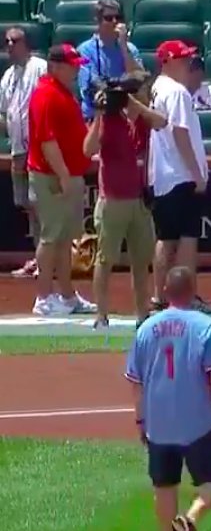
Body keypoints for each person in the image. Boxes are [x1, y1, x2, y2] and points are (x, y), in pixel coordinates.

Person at [124, 266, 211, 531]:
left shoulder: (146, 328)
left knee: (164, 484)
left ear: (166, 292)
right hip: (197, 421)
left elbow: (135, 381)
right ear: (191, 290)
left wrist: (140, 419)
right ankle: (191, 518)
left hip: (158, 422)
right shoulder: (205, 326)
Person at [83, 71, 167, 330]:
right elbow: (88, 149)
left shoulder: (138, 119)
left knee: (141, 260)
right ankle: (101, 314)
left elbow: (162, 122)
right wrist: (100, 111)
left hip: (138, 199)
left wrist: (134, 104)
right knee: (106, 260)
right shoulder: (108, 120)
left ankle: (142, 314)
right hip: (113, 200)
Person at [27, 44, 97, 317]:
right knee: (51, 237)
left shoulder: (63, 92)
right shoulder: (45, 94)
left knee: (65, 239)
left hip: (65, 175)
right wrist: (64, 176)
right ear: (55, 66)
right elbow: (47, 141)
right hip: (52, 177)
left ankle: (67, 296)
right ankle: (44, 297)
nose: (77, 69)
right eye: (71, 64)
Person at [148, 40, 211, 314]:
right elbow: (180, 132)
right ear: (167, 61)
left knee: (168, 237)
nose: (188, 63)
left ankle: (160, 296)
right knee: (184, 238)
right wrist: (196, 173)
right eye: (182, 58)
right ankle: (184, 296)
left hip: (164, 175)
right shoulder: (176, 92)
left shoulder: (157, 88)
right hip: (180, 174)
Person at [1, 26, 47, 279]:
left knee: (40, 205)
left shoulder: (39, 67)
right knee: (28, 206)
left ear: (25, 43)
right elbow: (5, 112)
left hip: (38, 149)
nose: (10, 45)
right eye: (6, 41)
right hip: (18, 148)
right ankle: (39, 257)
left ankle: (46, 261)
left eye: (15, 40)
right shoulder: (8, 75)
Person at [75, 0, 143, 121]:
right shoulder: (85, 51)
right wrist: (124, 85)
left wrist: (123, 46)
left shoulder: (130, 49)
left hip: (126, 117)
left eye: (118, 18)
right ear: (97, 21)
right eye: (108, 18)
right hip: (96, 118)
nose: (114, 22)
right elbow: (91, 87)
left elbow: (138, 81)